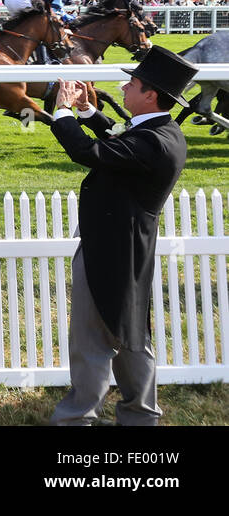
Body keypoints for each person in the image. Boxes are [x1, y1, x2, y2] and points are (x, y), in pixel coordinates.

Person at [48, 47, 195, 426]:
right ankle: (140, 414)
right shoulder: (158, 131)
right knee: (129, 333)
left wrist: (62, 110)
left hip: (110, 248)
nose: (124, 87)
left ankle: (77, 417)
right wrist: (86, 111)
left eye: (132, 83)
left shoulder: (152, 141)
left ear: (150, 94)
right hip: (127, 245)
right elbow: (116, 136)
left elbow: (90, 151)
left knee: (92, 335)